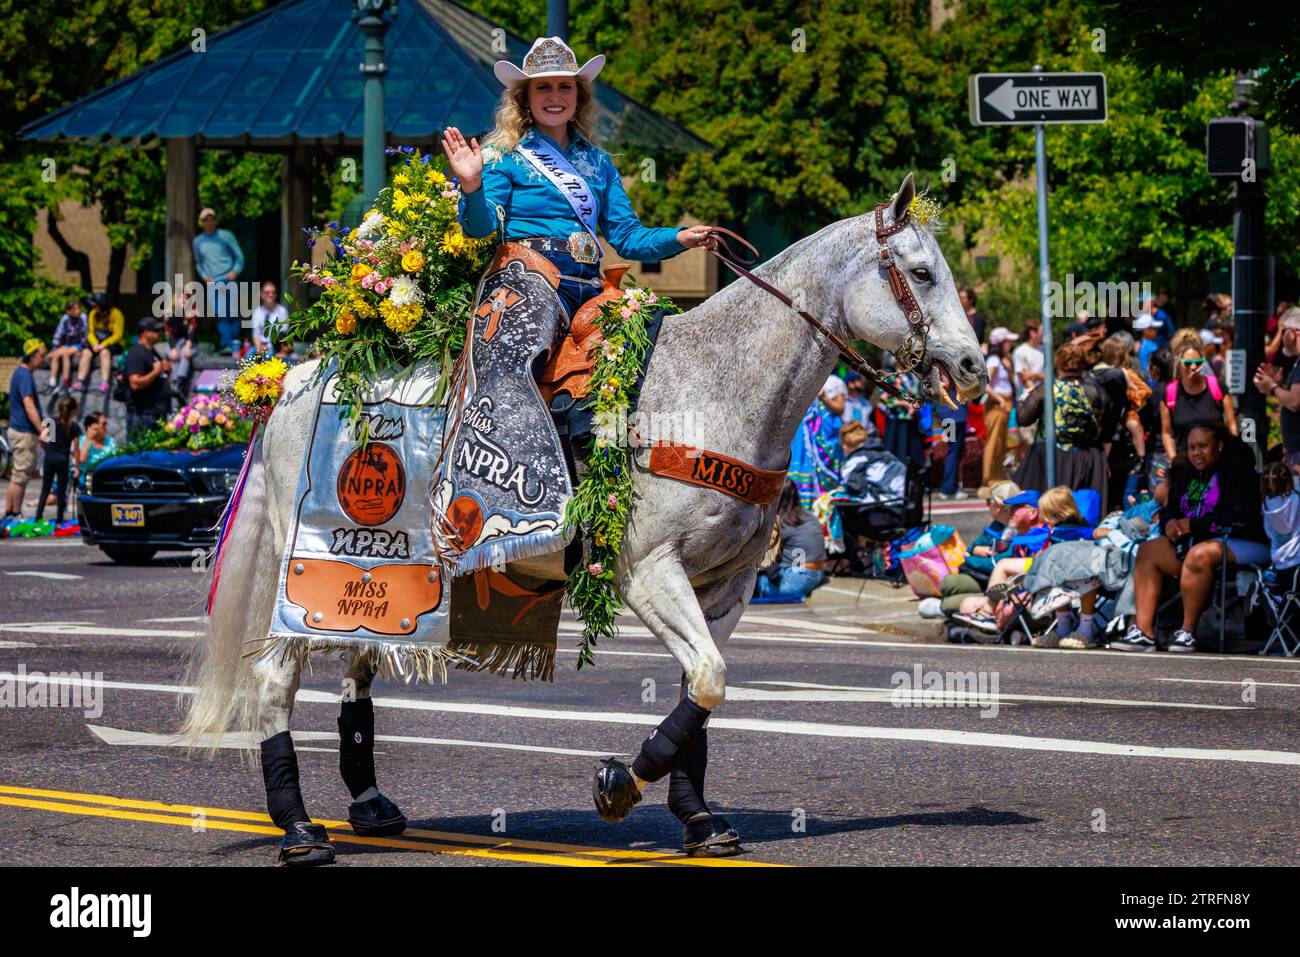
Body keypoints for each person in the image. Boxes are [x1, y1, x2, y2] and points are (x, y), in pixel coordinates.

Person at [442, 36, 711, 326]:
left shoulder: (599, 163)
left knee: (651, 340)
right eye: (543, 87)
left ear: (578, 97)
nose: (554, 97)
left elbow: (628, 238)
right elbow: (480, 228)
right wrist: (471, 185)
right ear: (525, 98)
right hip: (526, 282)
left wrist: (679, 237)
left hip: (591, 287)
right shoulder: (502, 155)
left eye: (565, 87)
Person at [1114, 421, 1267, 653]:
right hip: (1197, 540)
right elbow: (1170, 509)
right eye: (1192, 447)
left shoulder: (1239, 471)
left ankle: (1187, 631)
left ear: (1219, 445)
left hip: (1244, 540)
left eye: (1203, 446)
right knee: (1149, 551)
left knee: (1199, 555)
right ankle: (1143, 632)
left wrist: (1193, 525)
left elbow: (1240, 516)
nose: (1196, 453)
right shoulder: (1187, 475)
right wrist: (1170, 523)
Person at [1014, 339, 1112, 513]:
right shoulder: (1098, 392)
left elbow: (1023, 418)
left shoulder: (1048, 389)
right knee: (1084, 513)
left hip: (1052, 456)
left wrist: (1024, 397)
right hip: (1089, 459)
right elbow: (1107, 431)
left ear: (1058, 363)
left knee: (1045, 510)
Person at [1160, 342, 1236, 459]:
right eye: (1188, 363)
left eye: (1199, 362)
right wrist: (1174, 460)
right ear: (1179, 364)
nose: (1194, 367)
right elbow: (1166, 433)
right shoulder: (1170, 393)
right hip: (1185, 465)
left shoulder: (1217, 387)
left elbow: (1231, 424)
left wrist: (1233, 453)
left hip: (1217, 461)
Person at [757, 481, 829, 599]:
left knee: (746, 581)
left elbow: (765, 557)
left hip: (796, 578)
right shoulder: (809, 516)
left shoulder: (780, 522)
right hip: (818, 573)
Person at [4, 339, 47, 526]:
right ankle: (13, 513)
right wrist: (42, 429)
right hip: (23, 431)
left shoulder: (22, 374)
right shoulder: (24, 376)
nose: (43, 359)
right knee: (20, 475)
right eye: (41, 355)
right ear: (32, 356)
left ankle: (11, 513)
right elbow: (29, 404)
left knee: (19, 474)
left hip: (19, 430)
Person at [1252, 306, 1300, 471]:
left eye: (1283, 330)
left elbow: (1294, 402)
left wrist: (1271, 388)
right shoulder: (1297, 363)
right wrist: (1276, 385)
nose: (1280, 335)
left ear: (1294, 333)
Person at [789, 375, 846, 511]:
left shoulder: (834, 382)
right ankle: (798, 510)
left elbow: (840, 408)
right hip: (803, 438)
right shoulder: (808, 377)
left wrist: (824, 397)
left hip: (823, 438)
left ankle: (822, 512)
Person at [193, 207, 246, 354]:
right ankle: (227, 345)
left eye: (211, 219)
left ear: (215, 220)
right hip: (213, 282)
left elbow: (239, 256)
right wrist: (204, 277)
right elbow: (199, 262)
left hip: (228, 278)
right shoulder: (198, 241)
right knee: (220, 314)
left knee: (233, 312)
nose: (209, 222)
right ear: (201, 223)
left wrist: (235, 271)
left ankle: (235, 343)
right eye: (205, 220)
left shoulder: (226, 236)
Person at [34, 395, 80, 530]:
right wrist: (77, 467)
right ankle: (60, 519)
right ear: (73, 411)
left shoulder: (51, 422)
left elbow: (41, 439)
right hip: (63, 460)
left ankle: (38, 517)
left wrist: (48, 450)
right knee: (61, 490)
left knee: (45, 489)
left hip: (50, 458)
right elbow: (76, 449)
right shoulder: (74, 427)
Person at [982, 327, 1018, 490]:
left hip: (1004, 404)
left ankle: (998, 475)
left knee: (1001, 442)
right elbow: (985, 383)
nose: (1010, 344)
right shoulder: (994, 360)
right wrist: (999, 399)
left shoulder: (1003, 360)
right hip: (997, 404)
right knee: (994, 442)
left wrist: (1009, 369)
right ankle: (989, 477)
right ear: (1001, 343)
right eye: (1008, 341)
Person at [124, 318, 172, 436]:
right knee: (141, 453)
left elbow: (160, 374)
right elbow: (135, 383)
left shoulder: (152, 352)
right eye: (155, 330)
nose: (159, 333)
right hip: (142, 415)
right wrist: (156, 372)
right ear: (145, 333)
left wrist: (166, 370)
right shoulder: (137, 353)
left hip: (157, 413)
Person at [1261, 461, 1300, 572]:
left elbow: (1268, 531)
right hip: (1297, 558)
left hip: (1278, 560)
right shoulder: (1295, 499)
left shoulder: (1266, 504)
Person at [82, 292, 124, 395]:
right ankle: (80, 380)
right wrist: (95, 344)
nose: (93, 307)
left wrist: (103, 344)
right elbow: (90, 333)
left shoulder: (116, 313)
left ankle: (104, 382)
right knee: (86, 352)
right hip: (97, 343)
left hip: (113, 343)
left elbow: (118, 334)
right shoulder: (92, 314)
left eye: (95, 305)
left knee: (104, 352)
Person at [48, 299, 88, 397]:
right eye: (75, 309)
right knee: (56, 355)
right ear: (68, 311)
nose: (78, 311)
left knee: (66, 354)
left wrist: (82, 348)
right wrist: (55, 347)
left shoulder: (83, 318)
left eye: (79, 308)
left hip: (78, 344)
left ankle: (65, 383)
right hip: (67, 344)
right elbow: (59, 333)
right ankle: (52, 382)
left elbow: (84, 334)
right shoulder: (65, 319)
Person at [75, 411, 117, 491]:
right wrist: (89, 439)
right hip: (88, 479)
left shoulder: (110, 442)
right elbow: (81, 460)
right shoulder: (81, 441)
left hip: (107, 477)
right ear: (92, 426)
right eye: (103, 424)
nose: (106, 427)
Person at [250, 280, 290, 355]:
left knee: (269, 355)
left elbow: (283, 335)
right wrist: (259, 347)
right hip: (260, 346)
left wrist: (268, 347)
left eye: (273, 292)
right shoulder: (257, 312)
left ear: (276, 295)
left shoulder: (282, 311)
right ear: (261, 294)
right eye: (267, 292)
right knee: (249, 356)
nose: (270, 295)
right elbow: (256, 334)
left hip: (276, 347)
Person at [1011, 318, 1045, 400]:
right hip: (1026, 399)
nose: (1043, 334)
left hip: (1043, 397)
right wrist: (1037, 395)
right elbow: (1024, 378)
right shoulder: (1020, 351)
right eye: (1041, 332)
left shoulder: (1044, 350)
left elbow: (1049, 375)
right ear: (1033, 333)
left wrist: (1033, 374)